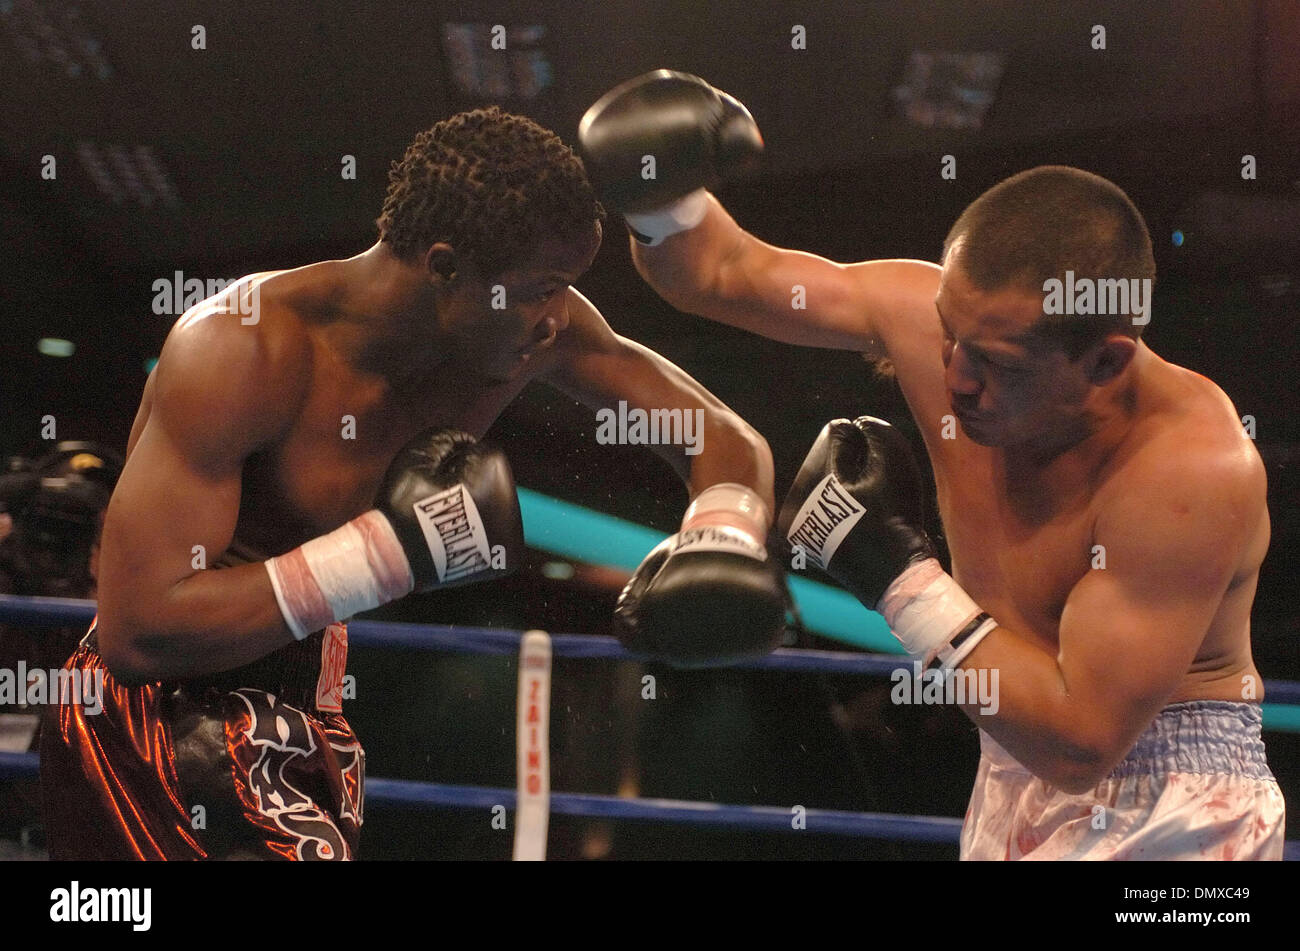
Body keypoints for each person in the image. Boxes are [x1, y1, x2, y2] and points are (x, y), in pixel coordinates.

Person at [40, 106, 787, 861]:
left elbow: (722, 436)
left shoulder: (529, 328)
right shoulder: (241, 349)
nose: (557, 318)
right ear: (444, 266)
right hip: (154, 722)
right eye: (542, 287)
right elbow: (137, 632)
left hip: (304, 699)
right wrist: (383, 556)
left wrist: (718, 536)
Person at [579, 71, 1286, 860]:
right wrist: (654, 195)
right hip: (1012, 761)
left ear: (1105, 362)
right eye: (950, 334)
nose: (954, 377)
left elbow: (1083, 743)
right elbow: (721, 273)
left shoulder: (1189, 469)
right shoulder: (937, 325)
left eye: (995, 362)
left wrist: (899, 577)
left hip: (1174, 806)